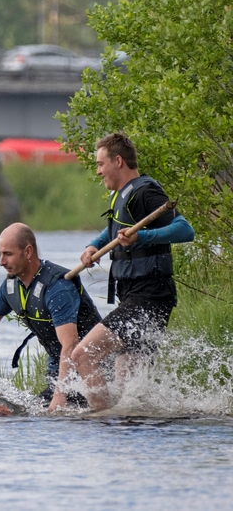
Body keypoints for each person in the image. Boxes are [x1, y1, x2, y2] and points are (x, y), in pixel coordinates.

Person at [70, 132, 195, 411]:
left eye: (101, 164)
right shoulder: (120, 197)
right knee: (126, 388)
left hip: (150, 295)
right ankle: (130, 426)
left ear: (118, 160)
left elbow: (186, 230)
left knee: (83, 355)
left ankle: (101, 421)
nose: (98, 171)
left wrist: (142, 238)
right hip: (134, 295)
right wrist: (94, 246)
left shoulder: (145, 191)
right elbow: (113, 230)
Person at [0, 222, 100, 410]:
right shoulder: (11, 286)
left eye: (8, 254)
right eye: (0, 254)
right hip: (58, 370)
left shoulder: (58, 288)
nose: (1, 262)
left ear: (27, 252)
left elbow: (70, 344)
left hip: (92, 371)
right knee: (8, 409)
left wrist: (60, 395)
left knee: (53, 413)